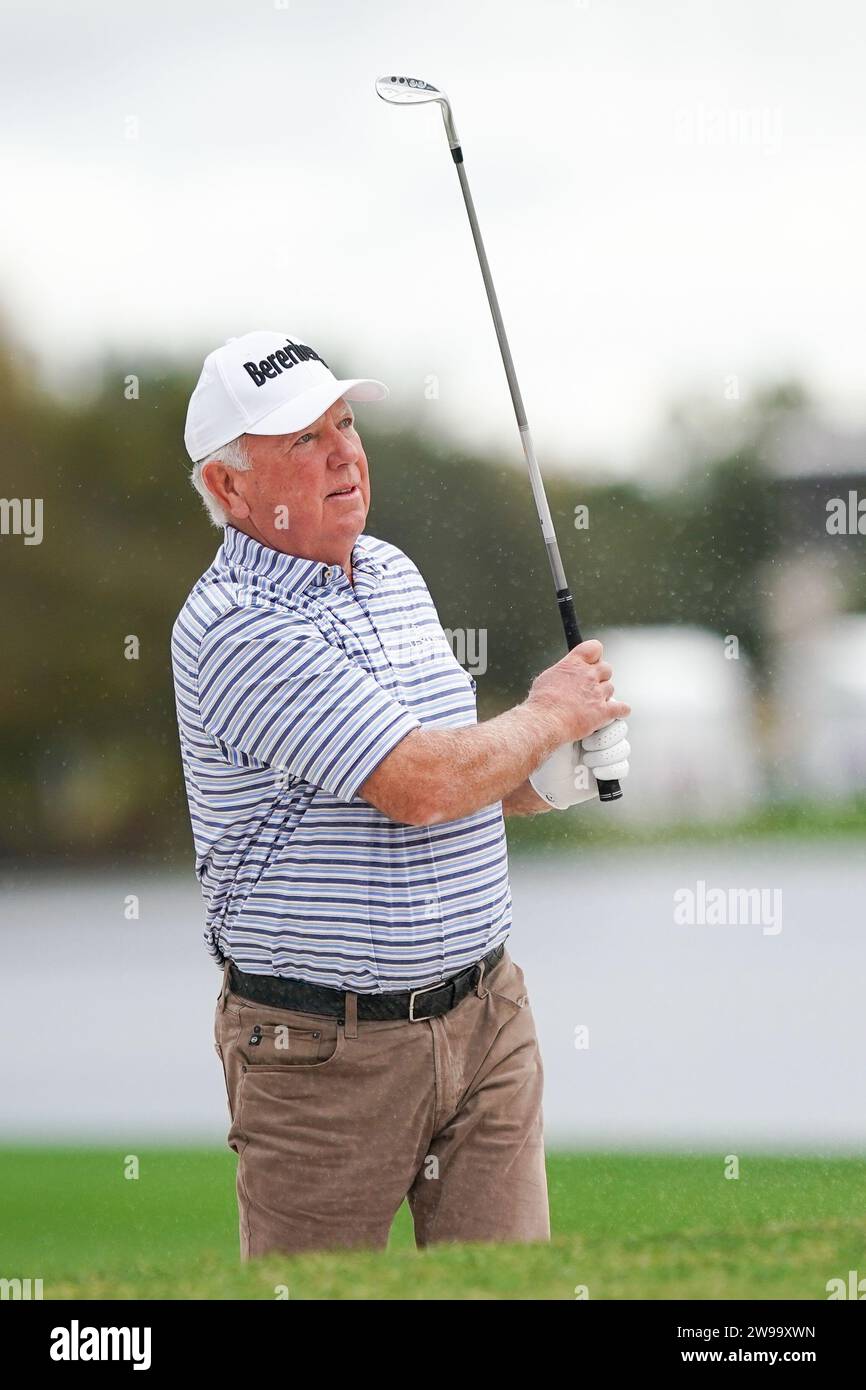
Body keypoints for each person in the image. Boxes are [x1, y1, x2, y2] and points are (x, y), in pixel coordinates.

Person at [171, 328, 631, 1257]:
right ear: (228, 488)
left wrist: (555, 771)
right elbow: (417, 784)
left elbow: (462, 769)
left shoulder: (390, 575)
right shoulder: (229, 628)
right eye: (301, 439)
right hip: (322, 1054)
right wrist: (548, 710)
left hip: (487, 1016)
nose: (343, 451)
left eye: (343, 423)